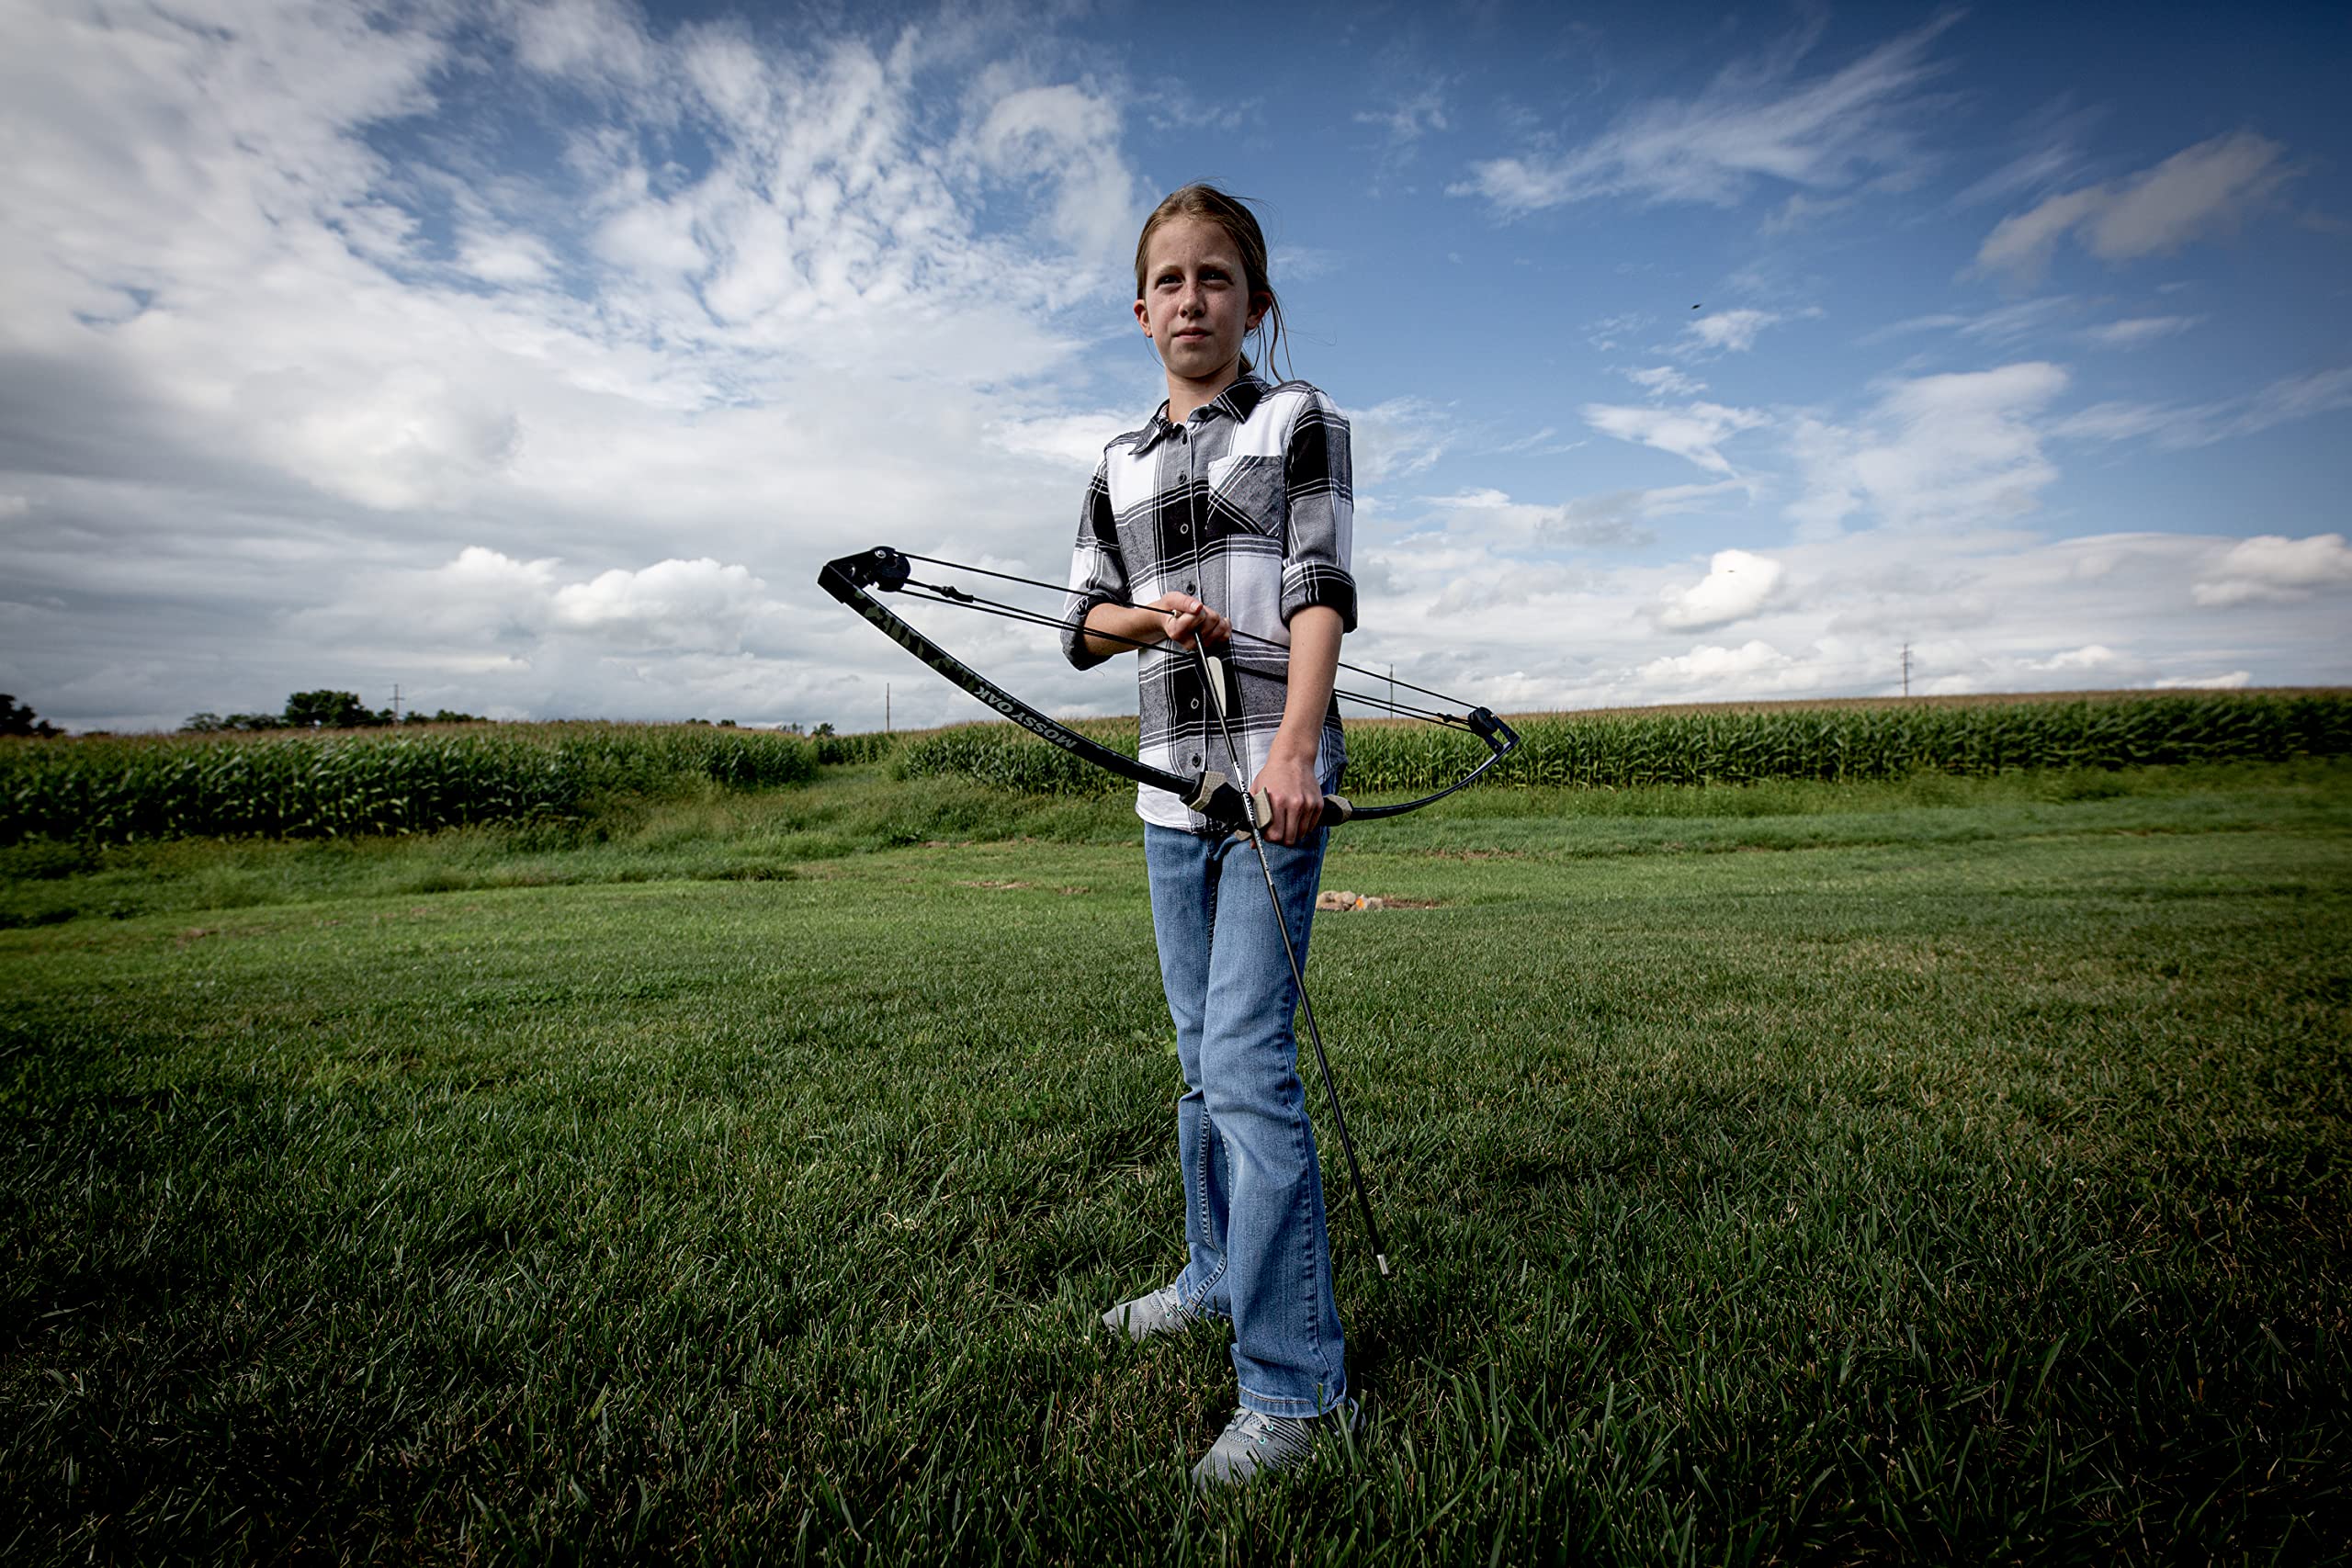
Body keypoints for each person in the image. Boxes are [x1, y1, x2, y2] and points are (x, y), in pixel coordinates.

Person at [1060, 184, 1359, 1487]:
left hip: (1271, 782)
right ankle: (1213, 1274)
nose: (1193, 300)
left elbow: (1318, 587)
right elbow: (1081, 624)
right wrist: (1149, 614)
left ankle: (1296, 1394)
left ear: (1257, 301)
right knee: (1196, 1061)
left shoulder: (1300, 423)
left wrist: (1295, 747)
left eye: (1217, 278)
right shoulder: (1114, 464)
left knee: (1246, 1064)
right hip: (1165, 789)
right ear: (1141, 312)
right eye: (1171, 282)